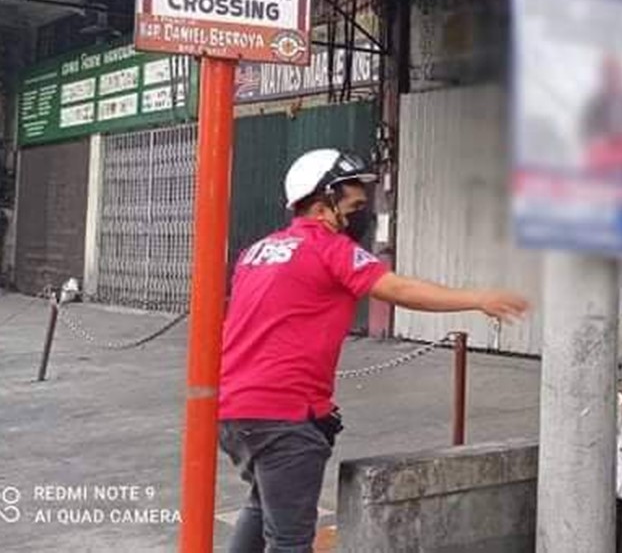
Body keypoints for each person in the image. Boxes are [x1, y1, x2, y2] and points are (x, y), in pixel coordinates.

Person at [218, 148, 529, 553]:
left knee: (262, 507)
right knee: (290, 541)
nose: (363, 214)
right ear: (325, 199)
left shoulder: (255, 253)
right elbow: (397, 290)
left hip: (235, 412)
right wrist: (477, 297)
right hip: (286, 415)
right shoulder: (329, 248)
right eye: (357, 204)